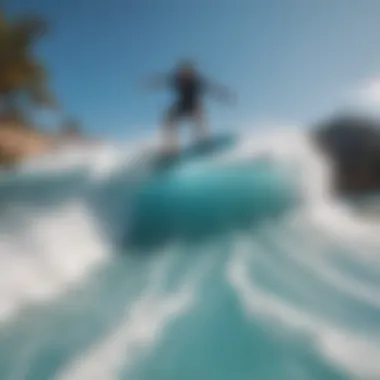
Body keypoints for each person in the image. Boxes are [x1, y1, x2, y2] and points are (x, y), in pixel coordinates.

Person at [146, 60, 233, 155]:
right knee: (168, 117)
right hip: (182, 105)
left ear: (191, 75)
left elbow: (213, 89)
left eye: (187, 74)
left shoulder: (197, 82)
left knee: (199, 115)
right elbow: (162, 81)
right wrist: (151, 83)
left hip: (194, 105)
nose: (183, 77)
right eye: (181, 74)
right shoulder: (175, 79)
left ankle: (205, 142)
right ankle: (171, 148)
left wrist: (224, 95)